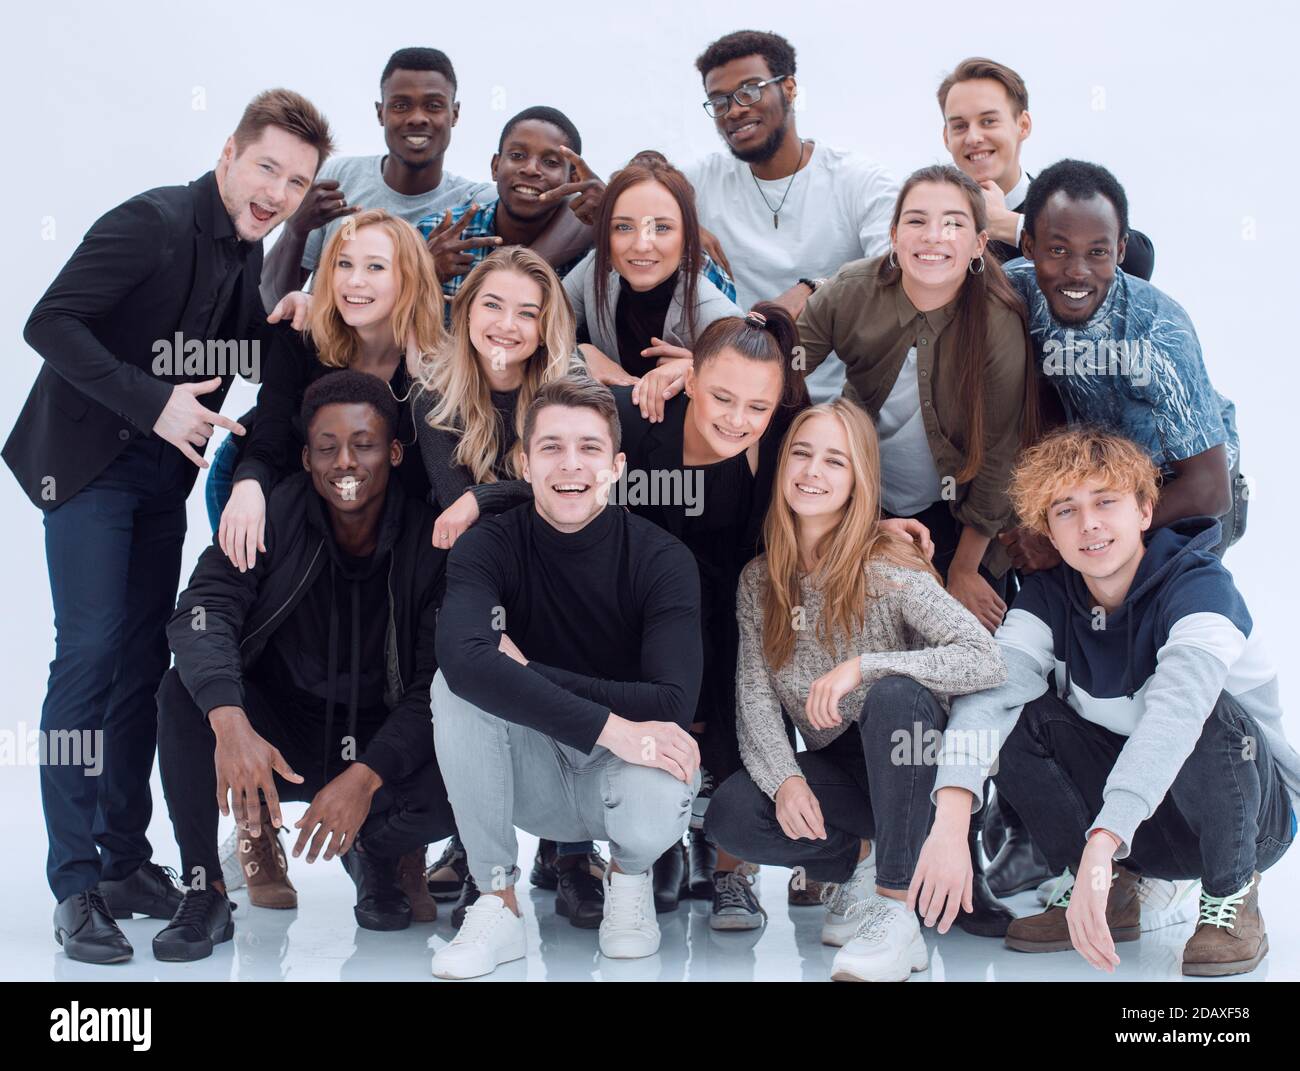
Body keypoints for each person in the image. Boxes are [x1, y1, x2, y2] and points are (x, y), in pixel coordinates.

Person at [5, 89, 332, 964]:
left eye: (296, 181)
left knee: (146, 660)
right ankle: (75, 884)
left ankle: (122, 861)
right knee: (87, 655)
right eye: (266, 167)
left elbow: (222, 354)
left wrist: (301, 319)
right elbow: (49, 321)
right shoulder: (149, 222)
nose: (276, 190)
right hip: (84, 466)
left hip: (159, 476)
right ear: (229, 153)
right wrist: (152, 404)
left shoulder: (245, 246)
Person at [915, 426, 1299, 977]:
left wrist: (1105, 837)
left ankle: (1229, 897)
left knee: (1204, 710)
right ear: (1048, 528)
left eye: (1106, 502)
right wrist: (951, 815)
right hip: (1139, 831)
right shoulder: (1049, 598)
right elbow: (993, 696)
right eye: (1065, 510)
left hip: (1247, 822)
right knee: (1020, 710)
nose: (1088, 523)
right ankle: (1110, 890)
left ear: (1145, 510)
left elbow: (1175, 717)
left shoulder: (1201, 587)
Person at [794, 163, 1039, 933]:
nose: (933, 236)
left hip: (959, 510)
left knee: (957, 677)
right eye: (917, 221)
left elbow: (1000, 456)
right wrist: (817, 440)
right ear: (894, 236)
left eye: (953, 223)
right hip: (862, 504)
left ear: (976, 244)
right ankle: (871, 851)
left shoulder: (994, 320)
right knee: (867, 663)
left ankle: (956, 854)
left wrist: (965, 563)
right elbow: (797, 347)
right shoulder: (856, 288)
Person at [152, 372, 455, 961]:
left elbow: (430, 688)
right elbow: (200, 615)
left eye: (364, 444)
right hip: (281, 732)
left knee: (462, 746)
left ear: (394, 451)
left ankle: (375, 851)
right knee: (182, 694)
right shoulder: (274, 515)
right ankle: (206, 889)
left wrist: (366, 777)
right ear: (305, 457)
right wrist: (231, 722)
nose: (346, 461)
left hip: (380, 734)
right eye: (327, 446)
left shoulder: (429, 539)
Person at [705, 399, 1007, 981]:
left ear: (859, 479)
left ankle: (896, 915)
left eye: (835, 462)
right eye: (802, 453)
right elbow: (756, 698)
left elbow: (983, 659)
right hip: (844, 769)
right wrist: (787, 780)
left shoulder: (889, 562)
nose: (814, 472)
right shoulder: (758, 582)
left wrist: (864, 665)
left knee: (894, 693)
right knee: (733, 814)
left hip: (915, 761)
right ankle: (863, 862)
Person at [429, 376, 704, 979]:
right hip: (536, 774)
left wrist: (528, 673)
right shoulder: (488, 547)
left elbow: (671, 702)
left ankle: (630, 884)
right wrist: (612, 724)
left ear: (617, 464)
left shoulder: (662, 560)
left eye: (589, 448)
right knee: (453, 688)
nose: (570, 464)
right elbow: (463, 659)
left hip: (627, 774)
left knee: (664, 752)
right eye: (551, 447)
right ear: (524, 463)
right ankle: (497, 900)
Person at [413, 247, 605, 924]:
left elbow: (578, 492)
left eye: (528, 312)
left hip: (568, 564)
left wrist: (482, 497)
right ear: (465, 311)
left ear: (547, 324)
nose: (507, 324)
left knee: (574, 654)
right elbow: (450, 504)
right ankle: (480, 854)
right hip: (485, 568)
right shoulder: (435, 394)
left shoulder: (572, 387)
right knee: (469, 678)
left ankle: (575, 852)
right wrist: (496, 500)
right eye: (492, 305)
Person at [998, 160, 1243, 576]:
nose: (1077, 271)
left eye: (1097, 252)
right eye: (1057, 250)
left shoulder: (1158, 330)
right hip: (1089, 492)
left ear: (1121, 251)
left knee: (1144, 622)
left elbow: (1209, 489)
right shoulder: (1014, 288)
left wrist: (1063, 538)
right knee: (1060, 625)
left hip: (1178, 494)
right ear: (1029, 247)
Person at [687, 30, 898, 405]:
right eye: (718, 101)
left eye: (750, 90)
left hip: (836, 405)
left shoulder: (857, 180)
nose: (734, 110)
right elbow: (638, 195)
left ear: (789, 88)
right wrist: (681, 225)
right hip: (733, 399)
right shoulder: (703, 181)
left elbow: (899, 261)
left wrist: (815, 287)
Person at [937, 57, 1155, 277]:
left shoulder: (1064, 202)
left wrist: (1009, 225)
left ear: (1023, 126)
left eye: (988, 121)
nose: (973, 137)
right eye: (960, 126)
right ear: (947, 137)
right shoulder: (931, 216)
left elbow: (1138, 261)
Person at [563, 157, 741, 420]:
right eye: (623, 227)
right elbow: (536, 328)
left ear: (687, 238)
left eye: (661, 228)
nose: (642, 245)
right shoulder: (594, 270)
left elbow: (759, 378)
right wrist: (582, 353)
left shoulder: (711, 308)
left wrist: (700, 369)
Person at [417, 107, 588, 307]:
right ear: (495, 167)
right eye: (517, 155)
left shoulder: (589, 258)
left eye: (550, 162)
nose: (531, 169)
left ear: (573, 179)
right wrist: (425, 277)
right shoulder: (436, 234)